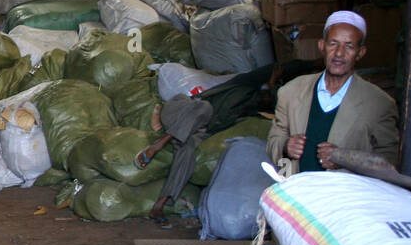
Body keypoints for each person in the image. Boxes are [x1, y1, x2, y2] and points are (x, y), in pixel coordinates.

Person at [134, 59, 319, 224]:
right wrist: (283, 74)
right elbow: (278, 71)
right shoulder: (241, 84)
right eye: (267, 89)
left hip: (197, 129)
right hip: (183, 109)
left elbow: (271, 103)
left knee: (188, 150)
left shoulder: (250, 108)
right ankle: (158, 145)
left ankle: (160, 204)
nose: (266, 94)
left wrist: (272, 87)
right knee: (204, 108)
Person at [266, 10, 399, 173]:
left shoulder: (379, 104)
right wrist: (285, 146)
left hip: (346, 197)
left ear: (360, 53)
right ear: (322, 46)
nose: (339, 53)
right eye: (333, 44)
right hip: (297, 194)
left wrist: (345, 159)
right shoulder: (290, 92)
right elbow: (273, 141)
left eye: (349, 46)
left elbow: (389, 163)